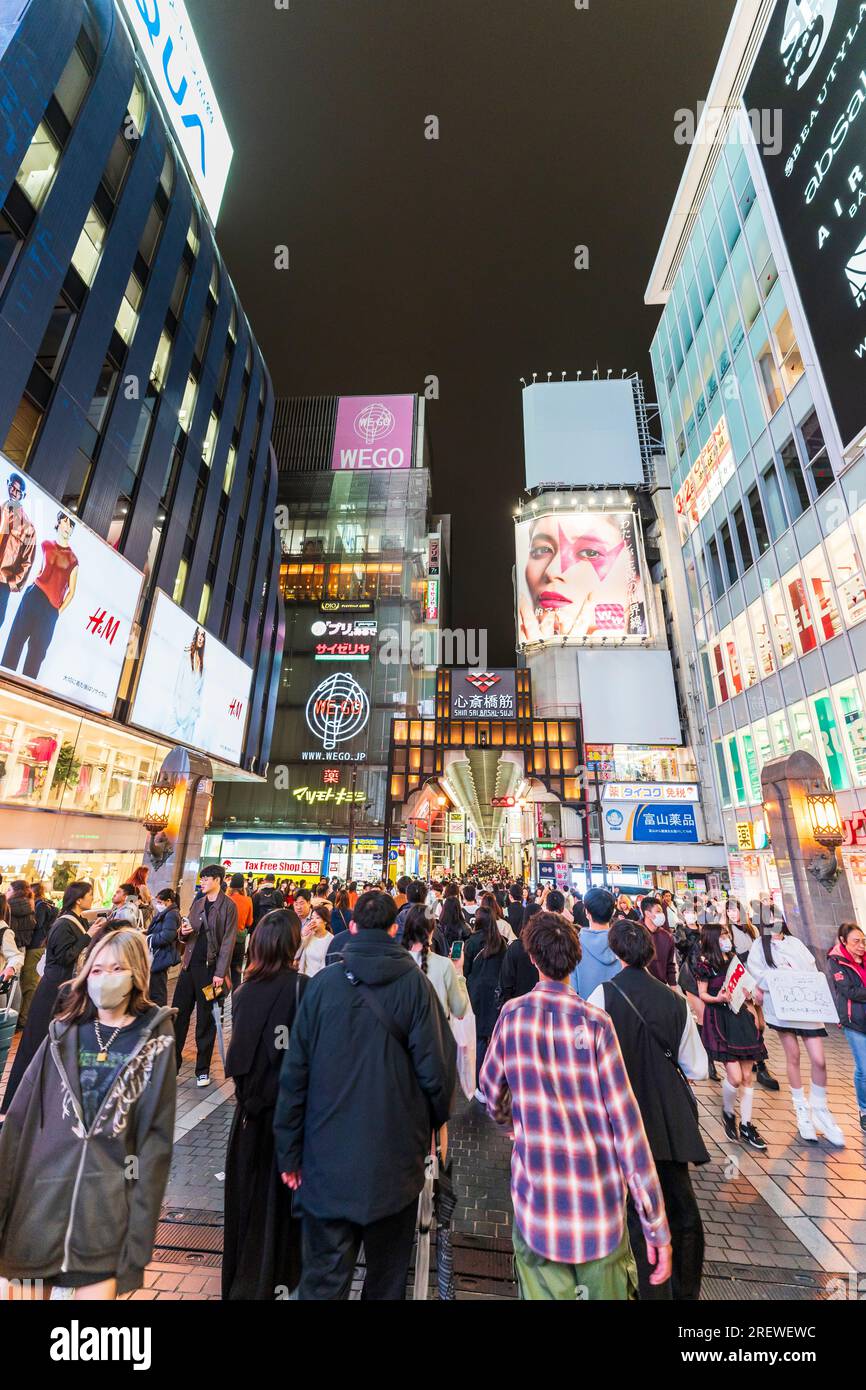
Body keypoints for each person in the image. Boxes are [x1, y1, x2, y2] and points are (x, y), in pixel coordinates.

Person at [274, 889, 457, 1301]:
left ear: (351, 927)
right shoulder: (418, 988)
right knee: (386, 1283)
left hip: (324, 1163)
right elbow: (439, 1076)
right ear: (394, 929)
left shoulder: (322, 987)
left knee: (322, 1282)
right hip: (395, 1167)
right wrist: (432, 1129)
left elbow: (294, 1075)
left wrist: (289, 1152)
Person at [480, 912, 671, 1300]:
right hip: (599, 1212)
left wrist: (511, 1125)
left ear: (533, 959)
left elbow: (489, 1091)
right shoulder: (597, 1024)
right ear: (576, 958)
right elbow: (628, 1129)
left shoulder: (513, 1017)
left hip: (538, 1208)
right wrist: (655, 1225)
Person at [0, 927, 176, 1299]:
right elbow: (17, 1123)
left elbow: (155, 1144)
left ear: (136, 974)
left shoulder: (155, 1040)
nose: (104, 978)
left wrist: (139, 1240)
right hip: (37, 1212)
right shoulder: (63, 1034)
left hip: (104, 1221)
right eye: (96, 970)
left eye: (116, 969)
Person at [588, 918, 709, 1301]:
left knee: (630, 1207)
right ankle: (683, 1289)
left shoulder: (602, 996)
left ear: (615, 953)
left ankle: (642, 1283)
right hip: (668, 1119)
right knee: (680, 1206)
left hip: (620, 1116)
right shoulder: (675, 1000)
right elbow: (697, 1067)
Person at [223, 910, 307, 1300]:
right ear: (292, 945)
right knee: (283, 1212)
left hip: (247, 1121)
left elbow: (239, 1058)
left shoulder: (242, 992)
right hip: (289, 1122)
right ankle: (278, 1283)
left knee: (246, 1204)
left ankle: (243, 1283)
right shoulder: (303, 988)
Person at [1, 881, 96, 1117]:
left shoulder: (74, 921)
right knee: (36, 1044)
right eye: (90, 895)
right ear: (78, 899)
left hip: (64, 989)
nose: (92, 899)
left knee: (55, 1044)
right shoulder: (64, 924)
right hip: (52, 991)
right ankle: (18, 1102)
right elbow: (65, 957)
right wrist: (88, 936)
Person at [746, 922, 844, 1146]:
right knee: (794, 1056)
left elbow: (811, 970)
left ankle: (820, 1109)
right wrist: (779, 979)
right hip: (782, 1008)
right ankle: (801, 1109)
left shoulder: (796, 943)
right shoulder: (759, 946)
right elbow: (757, 975)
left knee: (819, 1060)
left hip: (806, 1005)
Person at [695, 922, 768, 1151]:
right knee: (734, 1076)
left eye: (727, 934)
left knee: (748, 1075)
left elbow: (746, 986)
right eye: (723, 935)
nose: (727, 938)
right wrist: (719, 998)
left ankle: (746, 1124)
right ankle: (728, 1112)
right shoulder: (705, 965)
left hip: (741, 1018)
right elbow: (703, 994)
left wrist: (750, 998)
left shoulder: (734, 959)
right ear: (712, 939)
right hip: (720, 1020)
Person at [173, 865, 237, 1087]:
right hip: (189, 967)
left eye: (207, 879)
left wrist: (220, 973)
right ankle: (173, 1064)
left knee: (206, 1021)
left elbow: (228, 943)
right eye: (202, 879)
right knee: (179, 1016)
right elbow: (184, 933)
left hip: (210, 972)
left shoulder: (228, 906)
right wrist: (183, 932)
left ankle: (202, 1070)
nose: (202, 882)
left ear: (218, 880)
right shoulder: (198, 903)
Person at [463, 905, 507, 1099]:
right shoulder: (502, 943)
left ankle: (479, 1084)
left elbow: (465, 970)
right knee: (493, 1036)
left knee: (480, 1037)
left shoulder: (471, 942)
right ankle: (493, 1079)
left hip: (476, 993)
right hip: (495, 994)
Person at [829, 923, 866, 1133]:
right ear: (844, 941)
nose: (861, 946)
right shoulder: (836, 961)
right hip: (854, 1020)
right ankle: (864, 1110)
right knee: (864, 1068)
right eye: (856, 941)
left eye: (863, 941)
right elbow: (849, 991)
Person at [402, 905, 468, 1022]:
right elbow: (459, 1010)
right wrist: (458, 971)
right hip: (438, 1036)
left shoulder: (395, 963)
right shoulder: (444, 965)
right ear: (432, 931)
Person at [569, 887, 622, 998]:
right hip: (622, 1012)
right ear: (612, 912)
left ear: (587, 912)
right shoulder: (624, 943)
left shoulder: (574, 946)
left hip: (586, 1012)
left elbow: (571, 990)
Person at [0, 471, 36, 631]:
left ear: (23, 495)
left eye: (18, 491)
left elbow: (28, 561)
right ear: (7, 485)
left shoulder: (28, 528)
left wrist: (12, 583)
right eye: (12, 488)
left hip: (3, 581)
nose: (14, 493)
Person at [21, 882, 57, 1027]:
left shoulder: (40, 906)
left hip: (35, 946)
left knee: (29, 984)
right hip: (40, 947)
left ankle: (23, 1019)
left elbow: (37, 925)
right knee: (30, 983)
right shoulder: (48, 905)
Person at [146, 889, 181, 1007]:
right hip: (159, 955)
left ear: (169, 901)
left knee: (157, 991)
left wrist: (149, 939)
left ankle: (160, 1018)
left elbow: (167, 936)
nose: (158, 905)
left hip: (161, 956)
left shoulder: (171, 914)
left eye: (160, 902)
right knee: (155, 988)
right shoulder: (166, 913)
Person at [639, 896, 678, 987]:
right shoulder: (635, 933)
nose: (662, 914)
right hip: (640, 986)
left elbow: (670, 964)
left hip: (661, 985)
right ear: (647, 914)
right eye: (658, 911)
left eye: (662, 911)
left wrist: (673, 985)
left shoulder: (667, 937)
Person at [226, 873, 253, 993]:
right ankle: (235, 1004)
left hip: (225, 940)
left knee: (221, 972)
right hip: (239, 941)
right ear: (243, 886)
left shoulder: (225, 899)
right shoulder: (248, 900)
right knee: (237, 974)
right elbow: (250, 921)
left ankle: (218, 1006)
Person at [296, 901, 331, 978]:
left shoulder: (331, 940)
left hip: (319, 981)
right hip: (303, 979)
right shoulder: (309, 935)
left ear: (325, 921)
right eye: (312, 918)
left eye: (318, 918)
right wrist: (303, 937)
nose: (313, 921)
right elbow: (296, 955)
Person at [394, 880, 426, 944]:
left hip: (402, 951)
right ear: (425, 897)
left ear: (406, 897)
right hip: (424, 952)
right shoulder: (429, 915)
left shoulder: (401, 914)